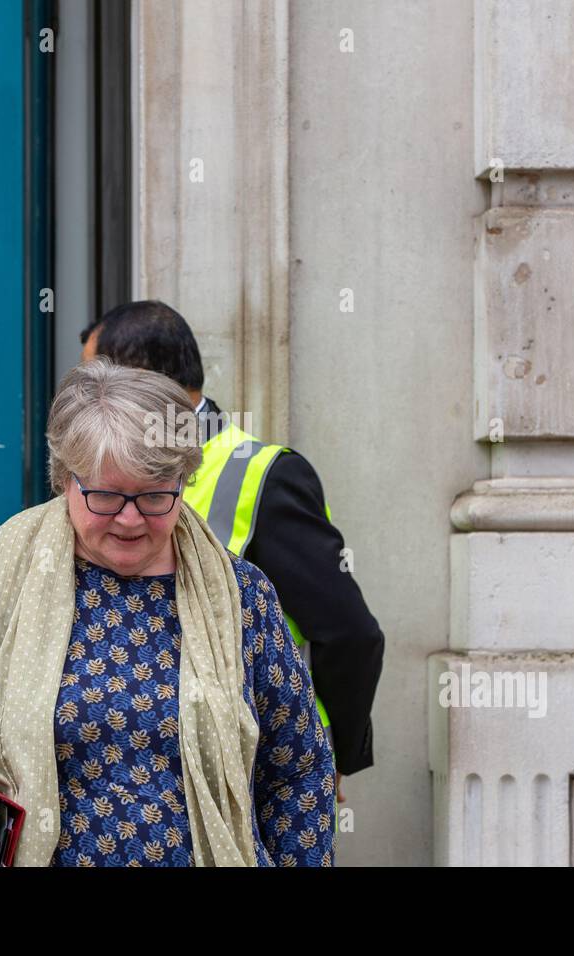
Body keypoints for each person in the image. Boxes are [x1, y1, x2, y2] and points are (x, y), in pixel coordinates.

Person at [0, 359, 334, 866]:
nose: (131, 519)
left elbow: (298, 772)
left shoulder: (242, 597)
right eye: (107, 496)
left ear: (183, 481)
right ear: (66, 479)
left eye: (155, 495)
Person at [80, 301, 384, 804]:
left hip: (252, 775)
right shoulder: (93, 478)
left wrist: (329, 756)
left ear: (139, 381)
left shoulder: (264, 474)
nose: (85, 401)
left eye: (93, 382)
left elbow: (350, 634)